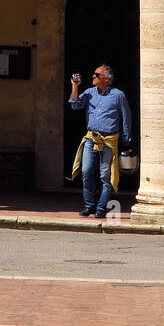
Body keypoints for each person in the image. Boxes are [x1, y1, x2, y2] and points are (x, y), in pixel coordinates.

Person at [68, 64, 134, 218]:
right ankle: (89, 205)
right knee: (86, 171)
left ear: (106, 78)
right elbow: (75, 104)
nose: (92, 77)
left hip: (109, 139)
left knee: (106, 175)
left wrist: (126, 137)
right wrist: (74, 87)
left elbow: (126, 117)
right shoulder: (90, 93)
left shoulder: (118, 95)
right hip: (91, 138)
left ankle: (101, 207)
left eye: (96, 75)